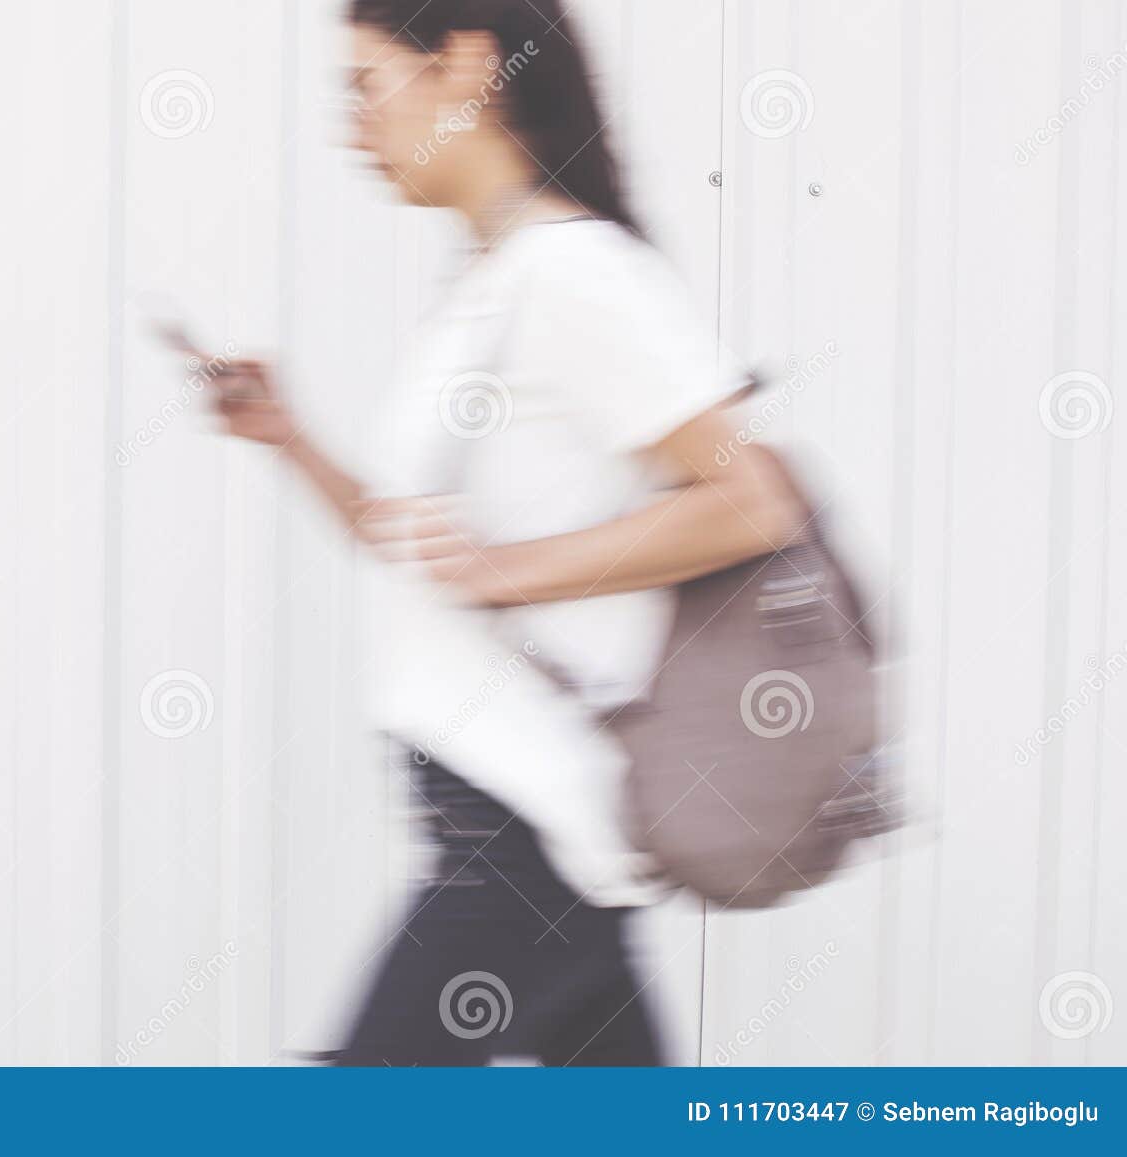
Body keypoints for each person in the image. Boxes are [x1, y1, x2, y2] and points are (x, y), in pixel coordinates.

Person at [210, 0, 804, 1065]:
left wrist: (509, 572)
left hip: (521, 842)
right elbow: (425, 553)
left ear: (468, 67)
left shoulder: (576, 273)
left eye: (364, 84)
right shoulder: (492, 284)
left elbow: (751, 500)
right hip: (523, 834)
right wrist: (289, 439)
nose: (350, 125)